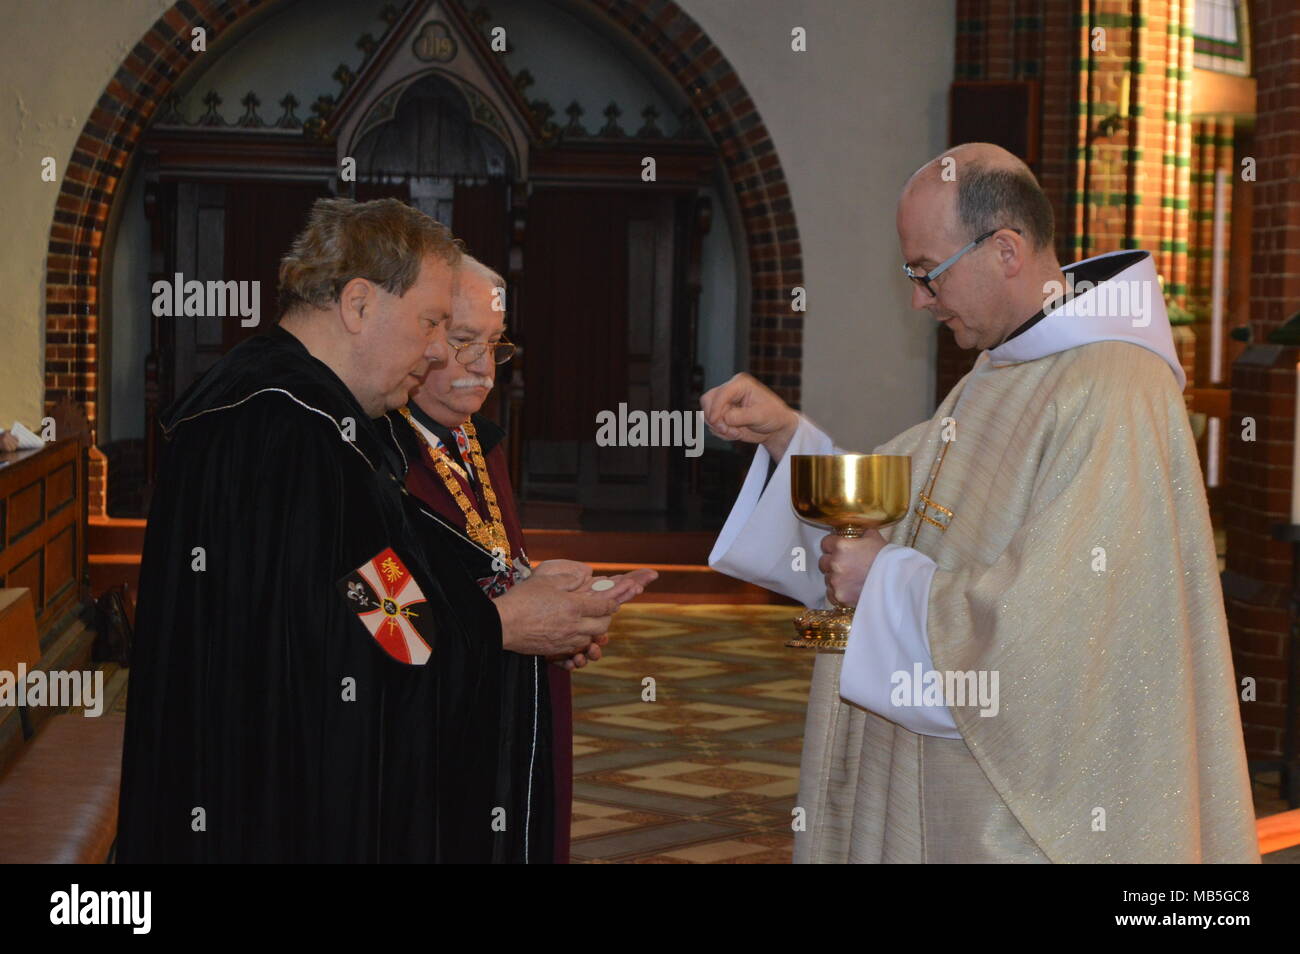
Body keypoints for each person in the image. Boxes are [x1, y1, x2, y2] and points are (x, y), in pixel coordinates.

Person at [703, 143, 1259, 863]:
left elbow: (1062, 632)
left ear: (1005, 250)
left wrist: (887, 583)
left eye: (926, 273)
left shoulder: (1113, 389)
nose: (918, 299)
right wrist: (788, 440)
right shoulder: (1006, 366)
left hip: (1018, 814)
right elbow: (906, 497)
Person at [117, 198, 622, 862]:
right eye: (433, 322)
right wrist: (499, 625)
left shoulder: (299, 410)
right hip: (270, 805)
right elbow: (362, 633)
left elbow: (370, 580)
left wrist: (513, 593)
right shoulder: (291, 436)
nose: (442, 350)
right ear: (358, 305)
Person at [391, 255, 656, 862]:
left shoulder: (477, 439)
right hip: (433, 734)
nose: (483, 368)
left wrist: (558, 609)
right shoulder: (380, 452)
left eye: (494, 345)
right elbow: (388, 614)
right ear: (420, 333)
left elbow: (485, 562)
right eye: (462, 343)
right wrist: (512, 615)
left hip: (504, 704)